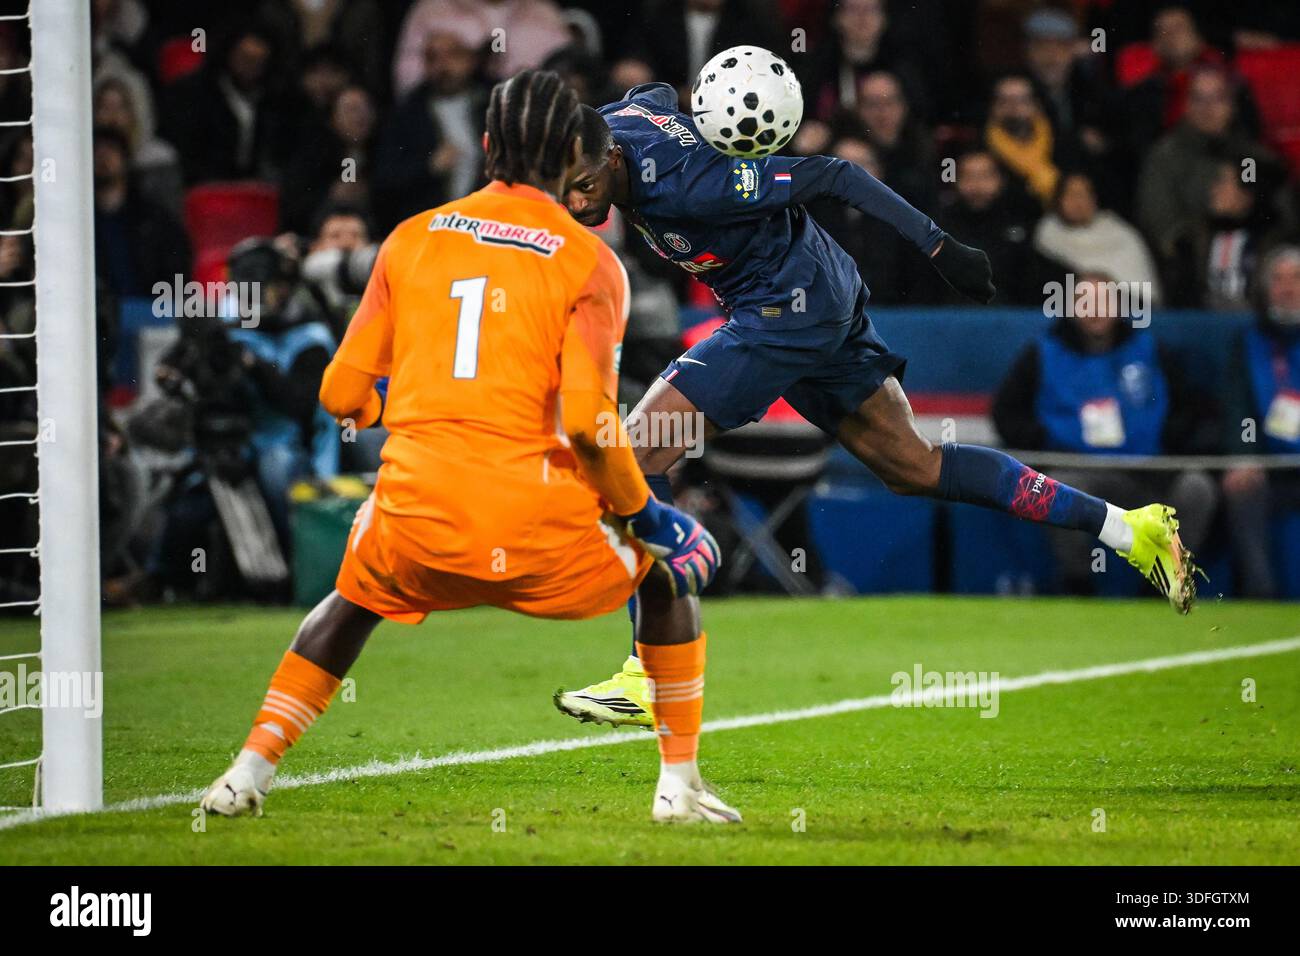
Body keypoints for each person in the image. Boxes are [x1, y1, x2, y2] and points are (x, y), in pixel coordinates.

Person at [553, 80, 1196, 729]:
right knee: (914, 465)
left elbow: (833, 173)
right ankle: (1130, 528)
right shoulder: (616, 123)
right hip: (819, 289)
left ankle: (653, 673)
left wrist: (940, 245)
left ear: (611, 160)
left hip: (783, 312)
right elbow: (657, 91)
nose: (576, 199)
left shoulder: (699, 183)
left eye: (584, 184)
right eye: (565, 183)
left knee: (634, 454)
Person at [201, 70, 734, 825]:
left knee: (352, 599)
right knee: (664, 576)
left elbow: (339, 397)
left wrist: (413, 406)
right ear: (577, 160)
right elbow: (589, 425)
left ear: (485, 146)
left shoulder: (409, 239)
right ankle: (678, 787)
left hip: (418, 522)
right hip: (540, 532)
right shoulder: (592, 263)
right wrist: (649, 514)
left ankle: (245, 773)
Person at [992, 273, 1217, 594]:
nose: (1094, 310)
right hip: (1082, 473)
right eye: (1084, 302)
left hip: (1149, 474)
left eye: (1103, 301)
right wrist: (1045, 439)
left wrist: (1169, 437)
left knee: (1197, 488)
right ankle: (1078, 583)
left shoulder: (1150, 349)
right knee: (1055, 488)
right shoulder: (1042, 353)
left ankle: (1163, 582)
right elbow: (1005, 414)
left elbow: (1191, 407)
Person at [1221, 246, 1300, 599]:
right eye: (1278, 280)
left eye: (1296, 279)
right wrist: (1244, 453)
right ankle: (1260, 593)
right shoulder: (1248, 343)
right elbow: (1238, 406)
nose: (1287, 288)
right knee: (1241, 486)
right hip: (1269, 468)